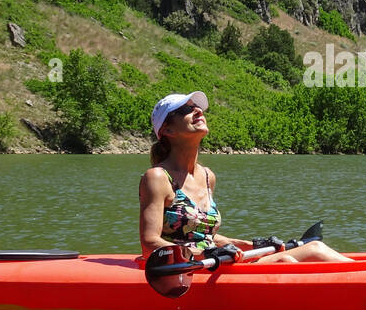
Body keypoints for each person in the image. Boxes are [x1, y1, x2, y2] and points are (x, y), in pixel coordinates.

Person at [139, 91, 351, 265]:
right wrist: (199, 255)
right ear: (167, 129)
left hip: (216, 261)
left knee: (314, 247)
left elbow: (206, 238)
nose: (197, 110)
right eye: (186, 109)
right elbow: (150, 244)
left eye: (199, 107)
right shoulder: (157, 177)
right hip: (188, 268)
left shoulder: (207, 176)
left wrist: (252, 245)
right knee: (285, 262)